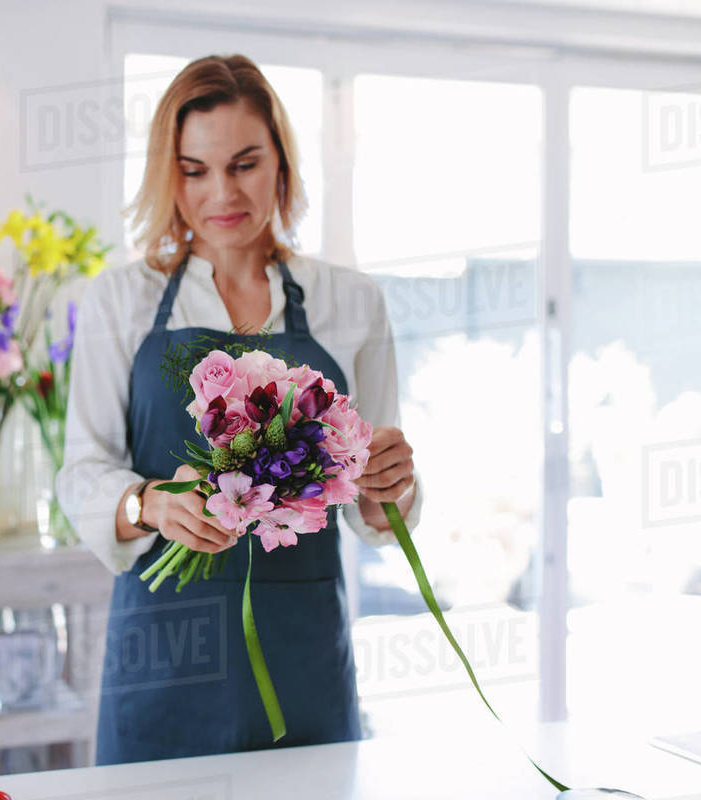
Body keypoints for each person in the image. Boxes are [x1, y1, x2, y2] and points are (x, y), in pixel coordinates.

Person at [55, 54, 424, 765]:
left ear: (282, 164)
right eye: (194, 170)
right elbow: (81, 472)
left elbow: (372, 503)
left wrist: (388, 487)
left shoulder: (351, 302)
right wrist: (150, 504)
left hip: (303, 661)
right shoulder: (119, 301)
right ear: (169, 174)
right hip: (163, 663)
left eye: (245, 164)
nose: (221, 192)